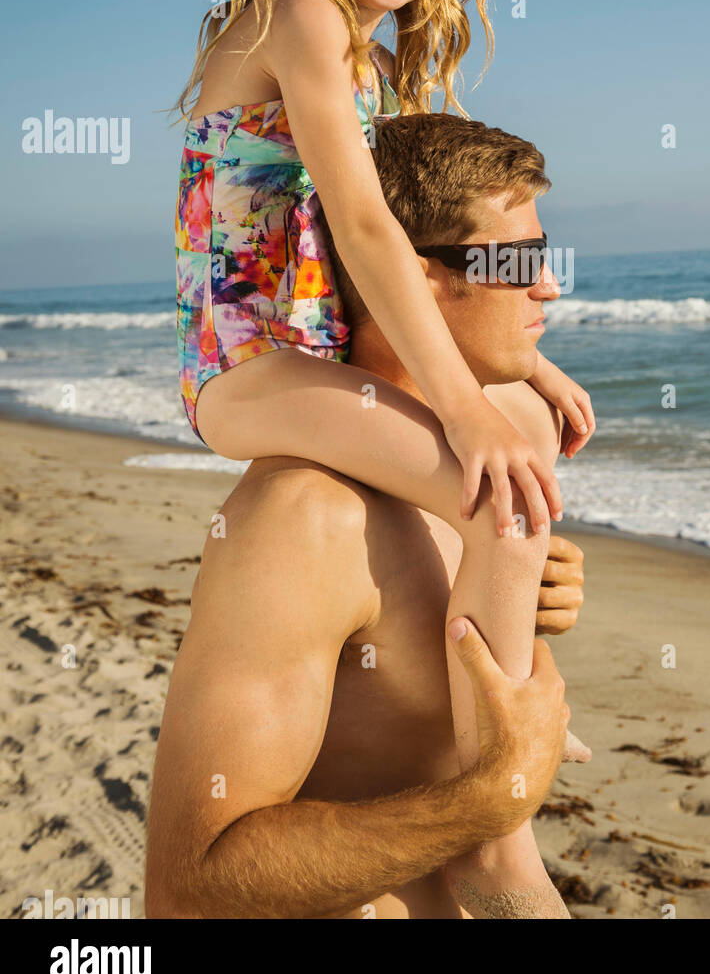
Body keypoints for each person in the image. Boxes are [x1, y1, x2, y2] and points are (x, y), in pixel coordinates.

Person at [170, 0, 595, 910]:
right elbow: (363, 229)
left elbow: (437, 240)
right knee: (492, 484)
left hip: (306, 359)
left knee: (513, 450)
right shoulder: (299, 18)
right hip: (253, 368)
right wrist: (458, 404)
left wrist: (524, 366)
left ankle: (501, 709)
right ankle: (494, 790)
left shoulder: (363, 53)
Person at [148, 113, 586, 918]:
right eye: (519, 261)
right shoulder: (305, 520)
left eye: (546, 255)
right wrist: (484, 805)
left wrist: (547, 600)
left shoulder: (517, 432)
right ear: (412, 276)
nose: (549, 285)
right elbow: (188, 891)